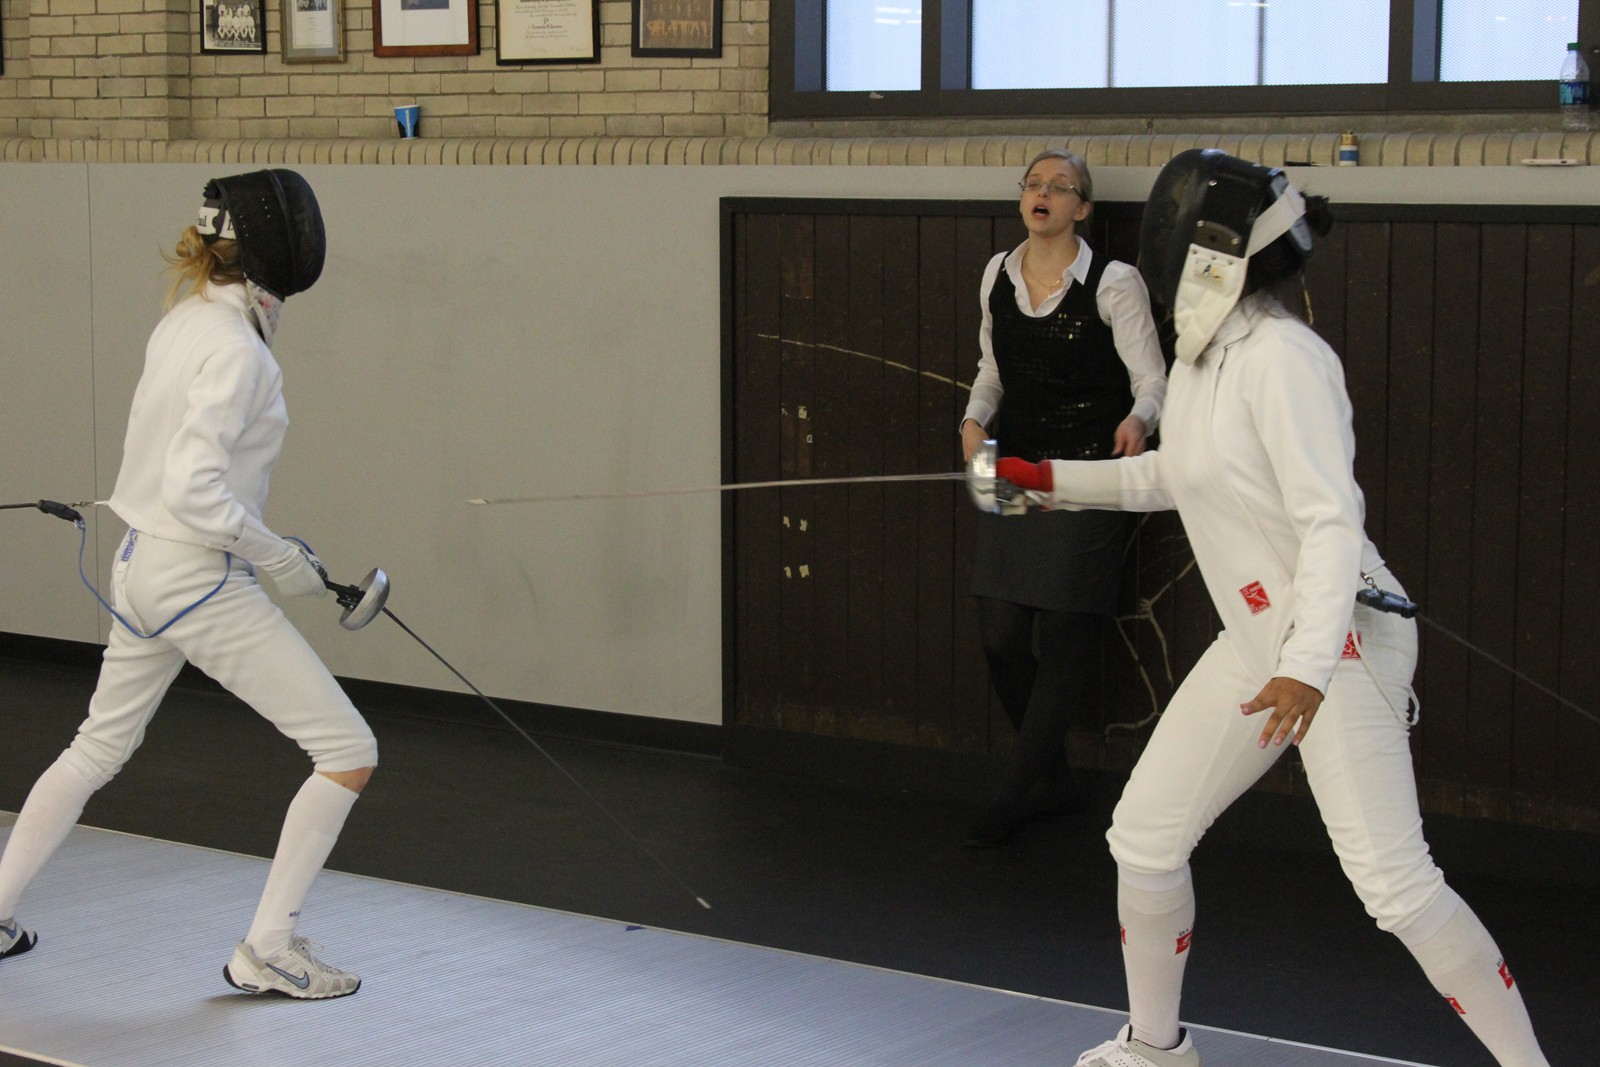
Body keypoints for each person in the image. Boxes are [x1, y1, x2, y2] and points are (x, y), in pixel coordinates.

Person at [989, 150, 1550, 1066]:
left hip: (1337, 642)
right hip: (1262, 643)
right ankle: (1156, 1047)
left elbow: (1333, 522)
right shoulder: (1209, 354)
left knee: (1396, 887)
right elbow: (1169, 473)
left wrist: (1305, 663)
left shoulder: (1287, 358)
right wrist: (1033, 481)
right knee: (1145, 839)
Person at [0, 169, 376, 1000]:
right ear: (280, 249)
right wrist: (277, 555)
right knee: (348, 750)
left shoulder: (187, 319)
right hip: (195, 577)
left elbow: (183, 480)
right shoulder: (238, 349)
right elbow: (196, 490)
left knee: (97, 745)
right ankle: (268, 948)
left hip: (139, 567)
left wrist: (269, 550)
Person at [958, 148, 1166, 847]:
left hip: (1088, 473)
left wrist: (1140, 420)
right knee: (1000, 636)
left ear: (1083, 208)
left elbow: (1151, 383)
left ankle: (1013, 796)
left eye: (1059, 187)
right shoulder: (996, 273)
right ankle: (1055, 782)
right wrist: (971, 420)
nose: (1041, 194)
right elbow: (992, 372)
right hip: (1011, 465)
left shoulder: (1115, 282)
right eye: (1033, 184)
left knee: (1068, 631)